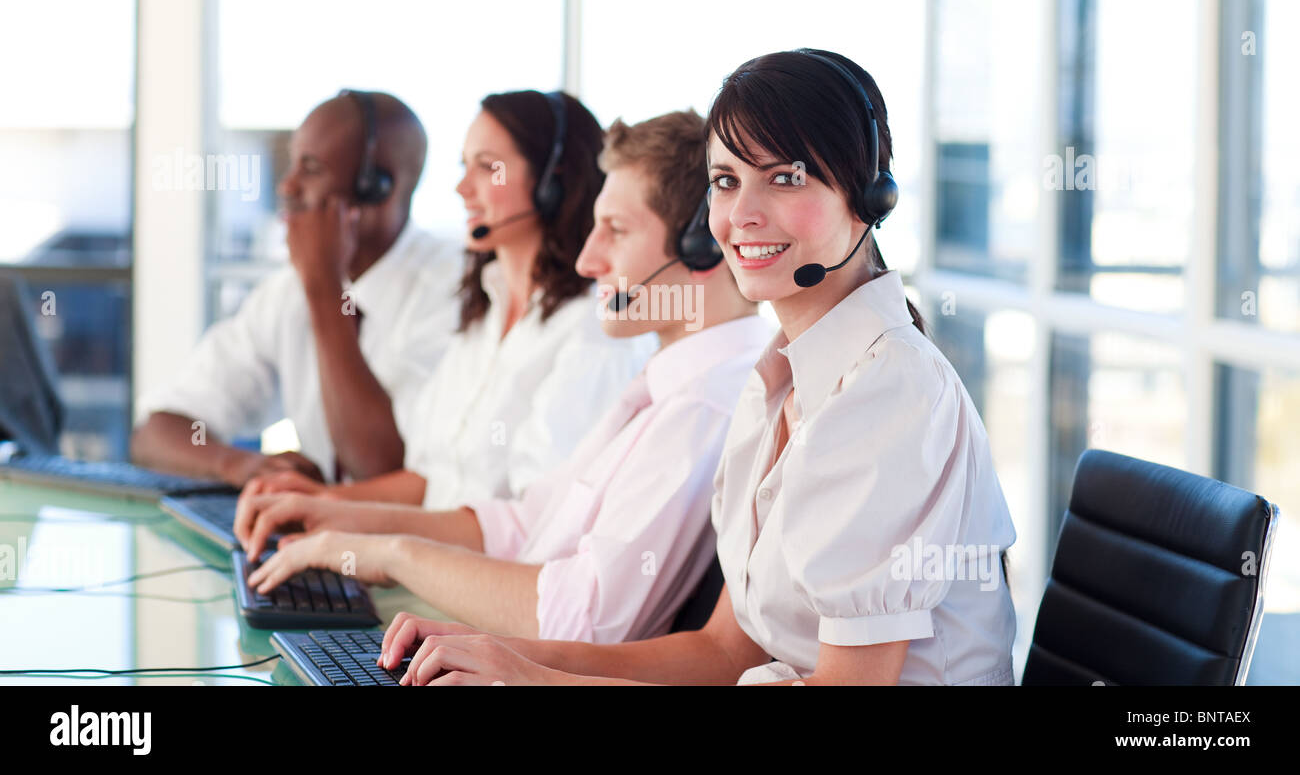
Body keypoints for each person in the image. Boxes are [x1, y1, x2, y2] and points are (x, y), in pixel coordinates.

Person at [370, 49, 1019, 686]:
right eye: (727, 181)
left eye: (785, 178)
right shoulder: (775, 381)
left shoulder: (890, 391)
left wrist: (539, 682)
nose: (742, 215)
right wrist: (507, 654)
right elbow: (721, 653)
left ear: (869, 195)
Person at [233, 110, 772, 643]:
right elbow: (524, 523)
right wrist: (346, 523)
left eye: (615, 231)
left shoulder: (705, 405)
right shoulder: (664, 386)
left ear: (704, 243)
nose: (589, 260)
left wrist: (391, 555)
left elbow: (582, 621)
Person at [237, 90, 654, 510]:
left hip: (470, 571)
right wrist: (320, 502)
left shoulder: (592, 331)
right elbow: (428, 481)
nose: (461, 187)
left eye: (488, 167)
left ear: (552, 182)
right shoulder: (482, 313)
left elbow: (528, 529)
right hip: (425, 560)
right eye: (463, 166)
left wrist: (371, 540)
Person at [131, 91, 461, 486]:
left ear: (377, 186)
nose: (287, 186)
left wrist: (325, 290)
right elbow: (154, 434)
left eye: (311, 167)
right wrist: (239, 465)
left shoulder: (453, 291)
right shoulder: (286, 292)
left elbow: (381, 467)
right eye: (292, 163)